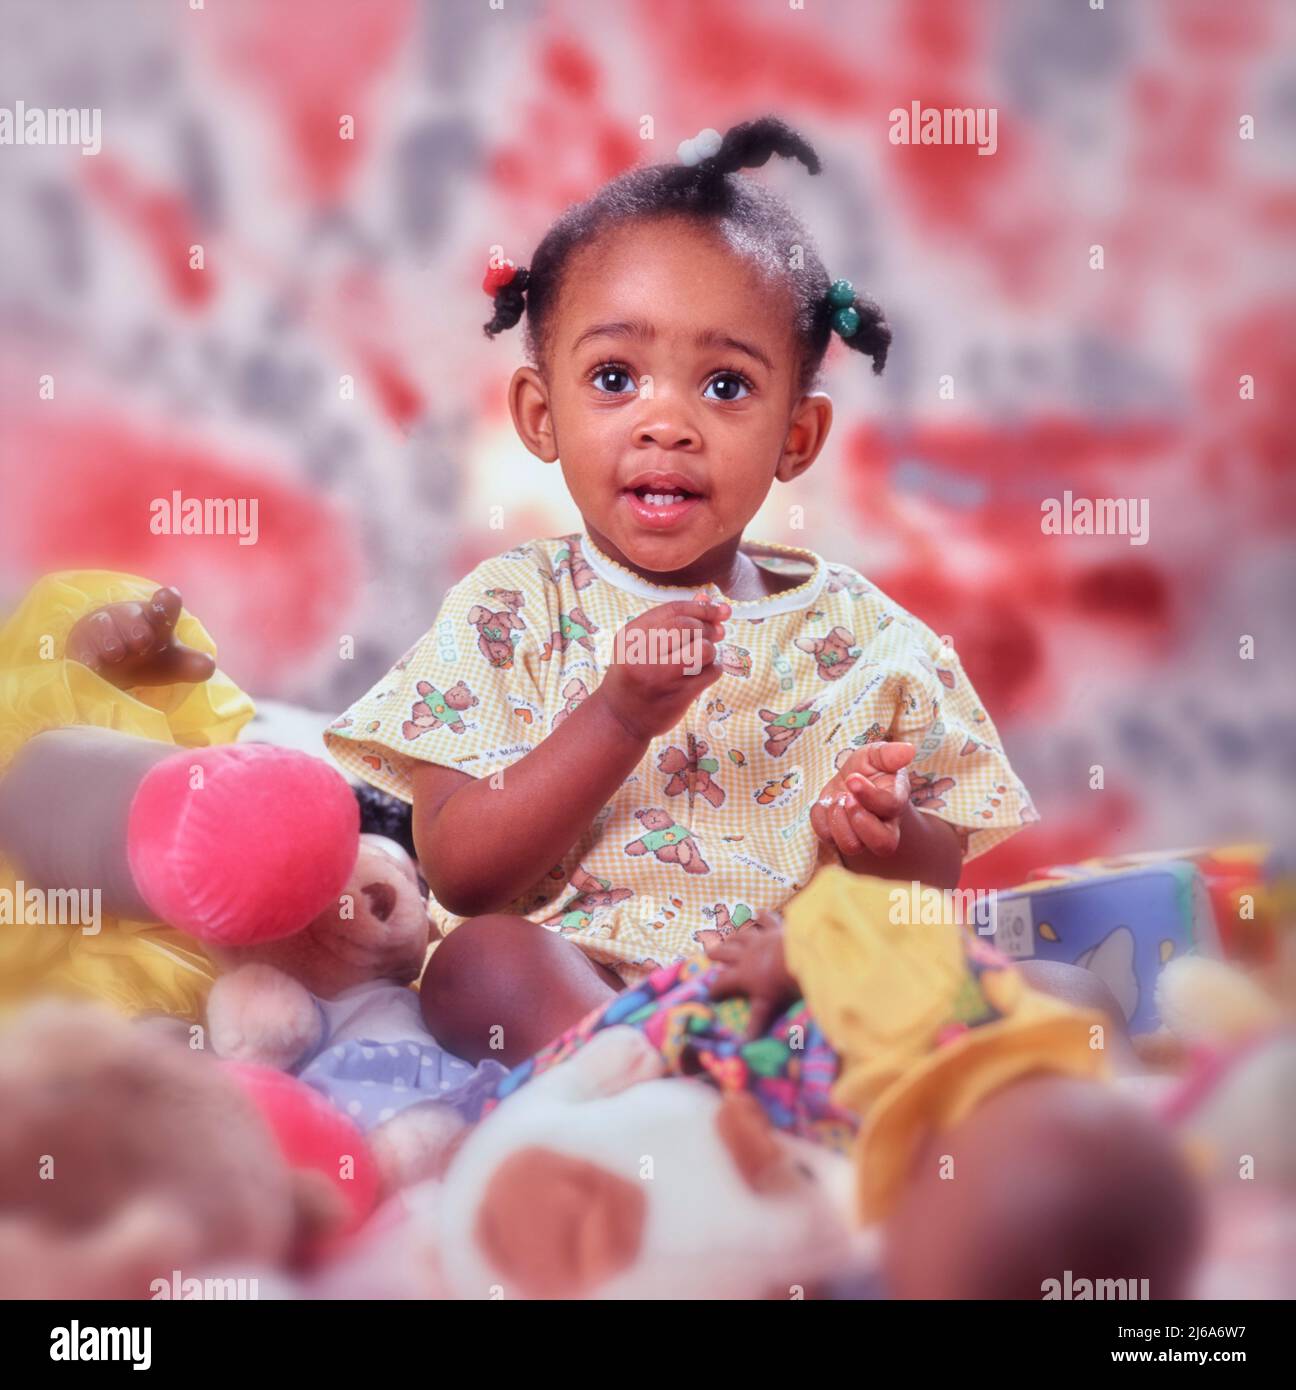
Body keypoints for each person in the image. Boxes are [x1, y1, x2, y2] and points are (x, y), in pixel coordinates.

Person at [325, 116, 1044, 1066]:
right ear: (542, 416)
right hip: (581, 988)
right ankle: (663, 1069)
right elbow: (462, 873)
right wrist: (617, 718)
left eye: (727, 387)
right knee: (477, 967)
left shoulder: (868, 638)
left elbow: (931, 881)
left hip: (794, 985)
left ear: (798, 437)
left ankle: (757, 1074)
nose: (667, 424)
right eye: (616, 378)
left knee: (1005, 979)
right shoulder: (510, 611)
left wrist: (888, 835)